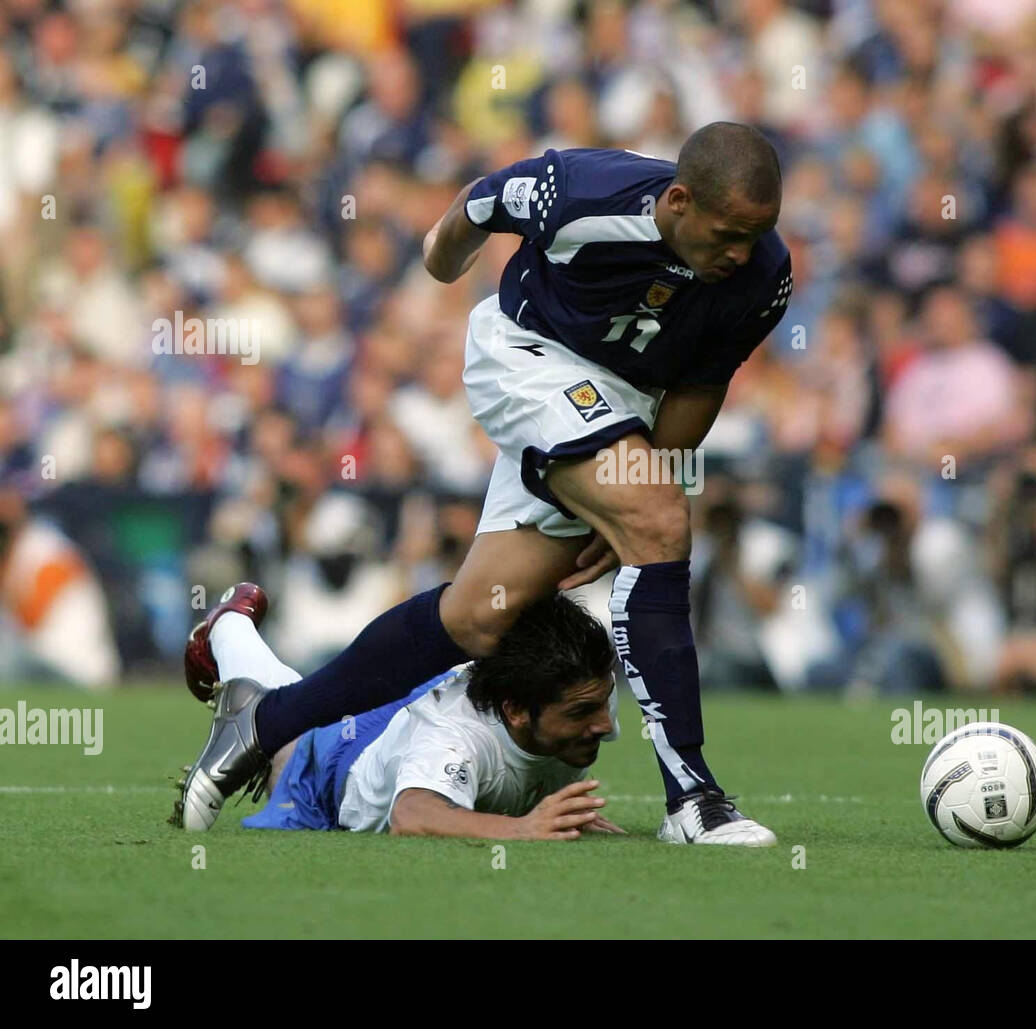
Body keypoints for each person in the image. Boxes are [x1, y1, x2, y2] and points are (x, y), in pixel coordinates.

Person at [177, 122, 791, 846]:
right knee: (662, 519)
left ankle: (265, 718)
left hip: (615, 407)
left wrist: (616, 506)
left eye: (755, 236)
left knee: (478, 618)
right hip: (526, 359)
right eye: (726, 234)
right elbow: (480, 203)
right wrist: (440, 261)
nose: (741, 253)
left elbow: (697, 391)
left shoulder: (762, 276)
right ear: (680, 199)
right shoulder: (587, 193)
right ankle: (693, 798)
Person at [172, 587, 624, 839]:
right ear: (517, 711)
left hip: (420, 709)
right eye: (585, 712)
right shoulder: (456, 737)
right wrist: (523, 827)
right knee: (282, 743)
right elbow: (412, 816)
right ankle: (229, 626)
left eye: (603, 702)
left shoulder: (582, 683)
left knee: (298, 699)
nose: (605, 725)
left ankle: (231, 628)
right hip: (338, 763)